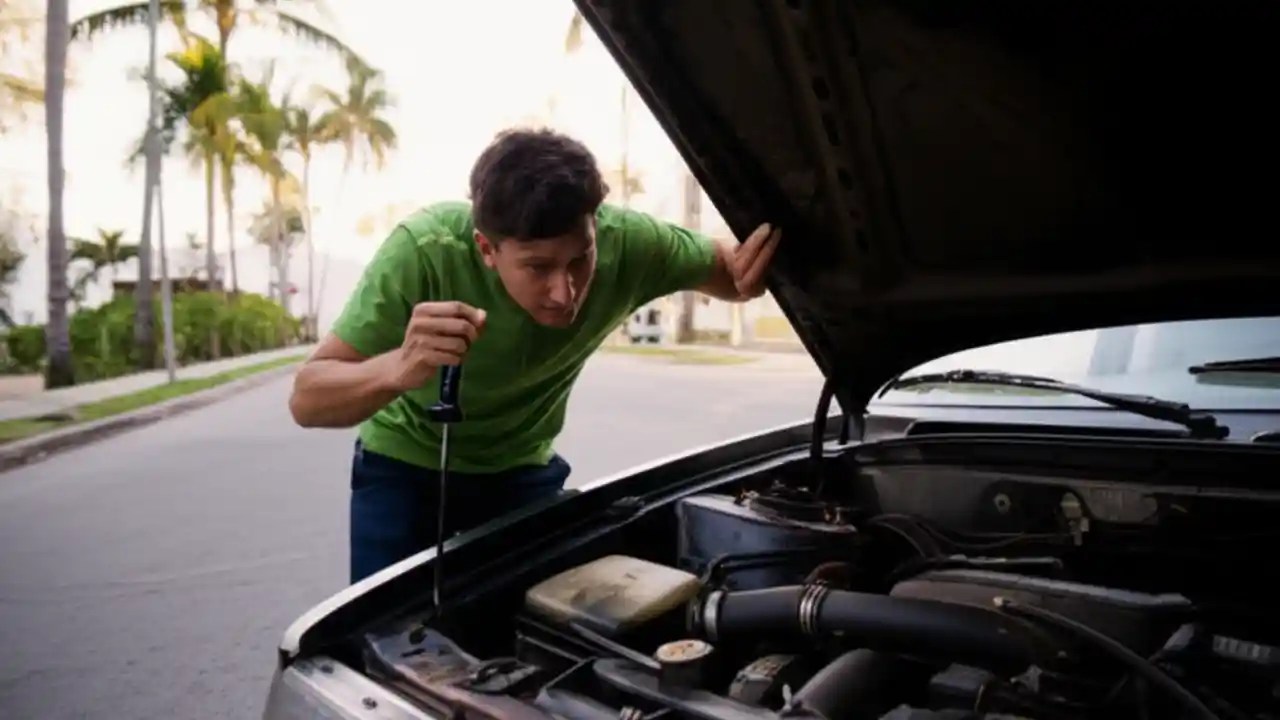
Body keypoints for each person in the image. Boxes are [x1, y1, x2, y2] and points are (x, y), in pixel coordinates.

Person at [288, 127, 781, 584]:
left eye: (579, 259)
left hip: (524, 475)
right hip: (404, 476)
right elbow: (307, 400)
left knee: (554, 631)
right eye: (537, 267)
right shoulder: (423, 252)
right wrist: (397, 367)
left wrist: (748, 275)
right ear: (486, 248)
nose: (564, 293)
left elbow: (729, 269)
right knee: (386, 641)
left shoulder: (629, 243)